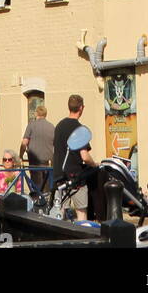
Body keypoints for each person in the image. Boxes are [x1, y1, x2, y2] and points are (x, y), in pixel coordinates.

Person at [52, 94, 96, 222]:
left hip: (60, 176)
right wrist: (94, 164)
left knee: (59, 212)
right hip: (76, 177)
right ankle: (82, 239)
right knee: (81, 212)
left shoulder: (59, 126)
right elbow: (85, 156)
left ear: (69, 107)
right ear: (81, 108)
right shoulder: (79, 129)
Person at [20, 104, 55, 195]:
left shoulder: (31, 125)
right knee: (47, 189)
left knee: (36, 188)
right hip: (48, 163)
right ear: (46, 114)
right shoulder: (51, 127)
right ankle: (46, 205)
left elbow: (24, 143)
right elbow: (54, 145)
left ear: (36, 114)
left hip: (34, 163)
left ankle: (37, 205)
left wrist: (20, 156)